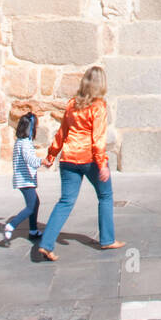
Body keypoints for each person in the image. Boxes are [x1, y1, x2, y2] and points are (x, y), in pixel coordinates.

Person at [37, 66, 124, 261]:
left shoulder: (71, 105)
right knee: (105, 195)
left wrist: (51, 155)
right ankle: (107, 239)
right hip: (89, 159)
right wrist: (101, 165)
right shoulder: (99, 106)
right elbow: (98, 138)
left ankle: (46, 243)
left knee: (66, 201)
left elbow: (62, 133)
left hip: (68, 158)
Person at [2, 112, 45, 243]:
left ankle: (33, 230)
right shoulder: (25, 143)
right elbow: (30, 159)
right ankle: (11, 226)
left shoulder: (20, 142)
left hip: (24, 179)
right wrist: (42, 162)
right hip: (25, 180)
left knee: (35, 202)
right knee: (31, 206)